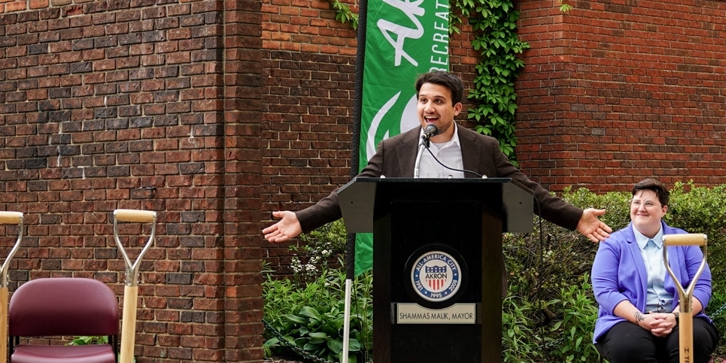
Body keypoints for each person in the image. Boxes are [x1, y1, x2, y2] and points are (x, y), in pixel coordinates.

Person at [261, 69, 612, 243]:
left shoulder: (483, 148)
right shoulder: (394, 149)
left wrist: (577, 218)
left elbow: (526, 190)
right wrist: (304, 219)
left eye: (438, 101)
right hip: (409, 259)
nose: (429, 107)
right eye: (423, 100)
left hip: (471, 259)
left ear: (456, 108)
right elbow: (353, 192)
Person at [590, 178, 717, 363]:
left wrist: (675, 316)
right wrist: (640, 318)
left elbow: (703, 288)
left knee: (693, 339)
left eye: (649, 203)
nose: (641, 208)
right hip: (628, 319)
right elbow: (604, 290)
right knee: (628, 351)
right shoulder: (614, 242)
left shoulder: (684, 241)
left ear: (664, 210)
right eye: (636, 202)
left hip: (680, 315)